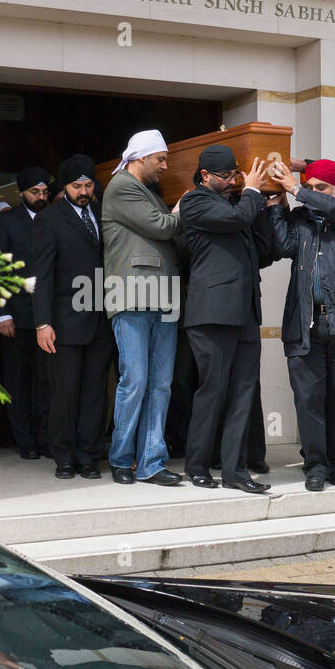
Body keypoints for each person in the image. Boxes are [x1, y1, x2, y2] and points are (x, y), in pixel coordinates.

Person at [266, 157, 335, 491]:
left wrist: (296, 185)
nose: (313, 194)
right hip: (304, 324)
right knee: (309, 399)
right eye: (310, 188)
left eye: (321, 188)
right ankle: (315, 465)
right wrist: (276, 202)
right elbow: (282, 246)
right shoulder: (302, 219)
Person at [178, 145, 271, 494]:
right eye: (227, 176)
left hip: (245, 312)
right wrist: (252, 193)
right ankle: (197, 465)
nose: (233, 181)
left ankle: (235, 470)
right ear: (205, 176)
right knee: (212, 391)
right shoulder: (195, 202)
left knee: (244, 392)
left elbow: (264, 251)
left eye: (235, 175)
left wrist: (267, 206)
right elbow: (235, 219)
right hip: (213, 313)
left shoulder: (240, 206)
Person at [101, 129, 184, 486]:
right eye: (160, 159)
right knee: (135, 380)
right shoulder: (121, 186)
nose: (165, 166)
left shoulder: (146, 191)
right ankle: (121, 458)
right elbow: (163, 228)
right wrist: (183, 207)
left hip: (162, 296)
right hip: (132, 295)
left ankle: (151, 461)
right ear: (140, 158)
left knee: (160, 383)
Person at [31, 154, 113, 480]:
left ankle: (88, 456)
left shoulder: (103, 214)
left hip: (100, 320)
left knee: (95, 391)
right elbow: (41, 275)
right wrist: (42, 323)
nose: (83, 191)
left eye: (88, 184)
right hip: (63, 322)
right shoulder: (49, 220)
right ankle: (63, 456)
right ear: (64, 187)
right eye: (77, 186)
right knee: (64, 392)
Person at [0, 167, 51, 459]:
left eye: (44, 192)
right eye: (34, 192)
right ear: (21, 193)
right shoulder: (6, 222)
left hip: (46, 316)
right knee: (17, 380)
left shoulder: (53, 218)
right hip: (16, 313)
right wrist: (2, 313)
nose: (40, 197)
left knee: (44, 380)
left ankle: (43, 437)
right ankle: (24, 440)